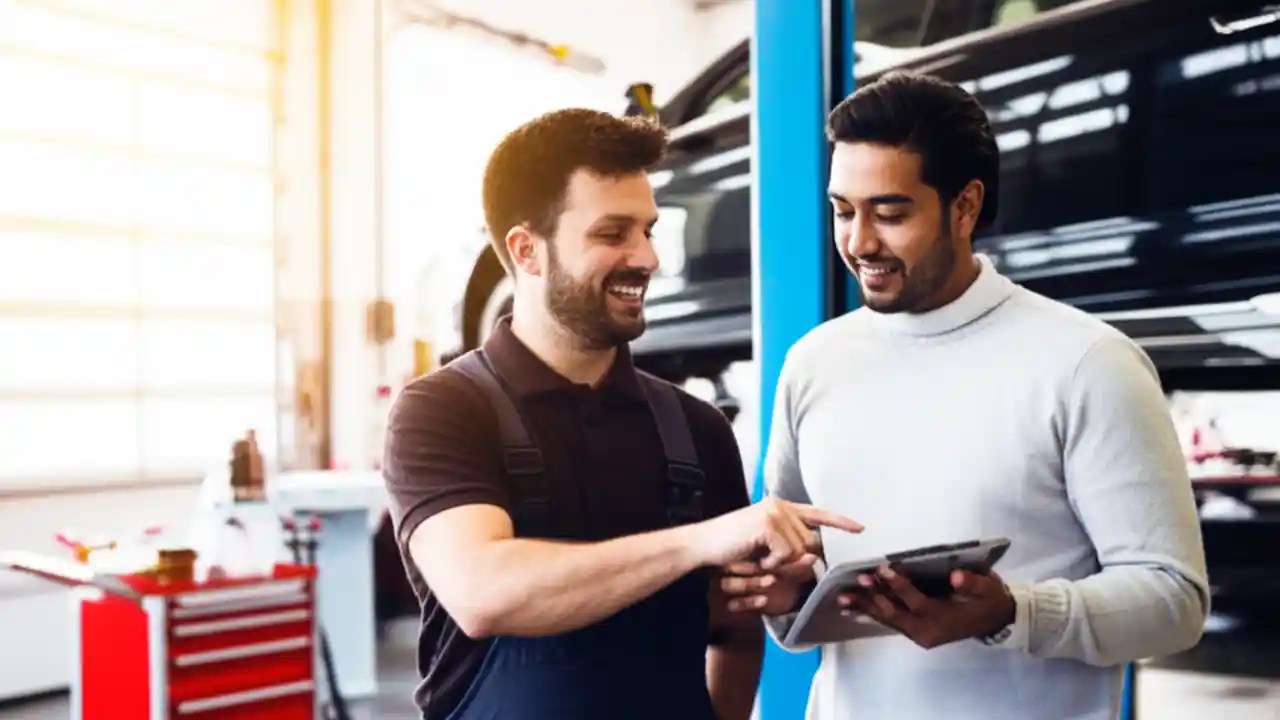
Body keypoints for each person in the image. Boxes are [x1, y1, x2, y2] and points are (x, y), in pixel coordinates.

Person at [721, 72, 1209, 719]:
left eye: (890, 213)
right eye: (843, 211)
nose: (860, 242)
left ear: (966, 205)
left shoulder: (1087, 363)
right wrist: (785, 594)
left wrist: (1014, 612)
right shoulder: (815, 363)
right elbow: (802, 580)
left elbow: (1174, 602)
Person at [382, 108, 863, 720]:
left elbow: (734, 627)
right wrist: (702, 542)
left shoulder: (695, 430)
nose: (648, 258)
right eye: (613, 234)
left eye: (649, 230)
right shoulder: (443, 410)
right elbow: (483, 590)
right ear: (527, 250)